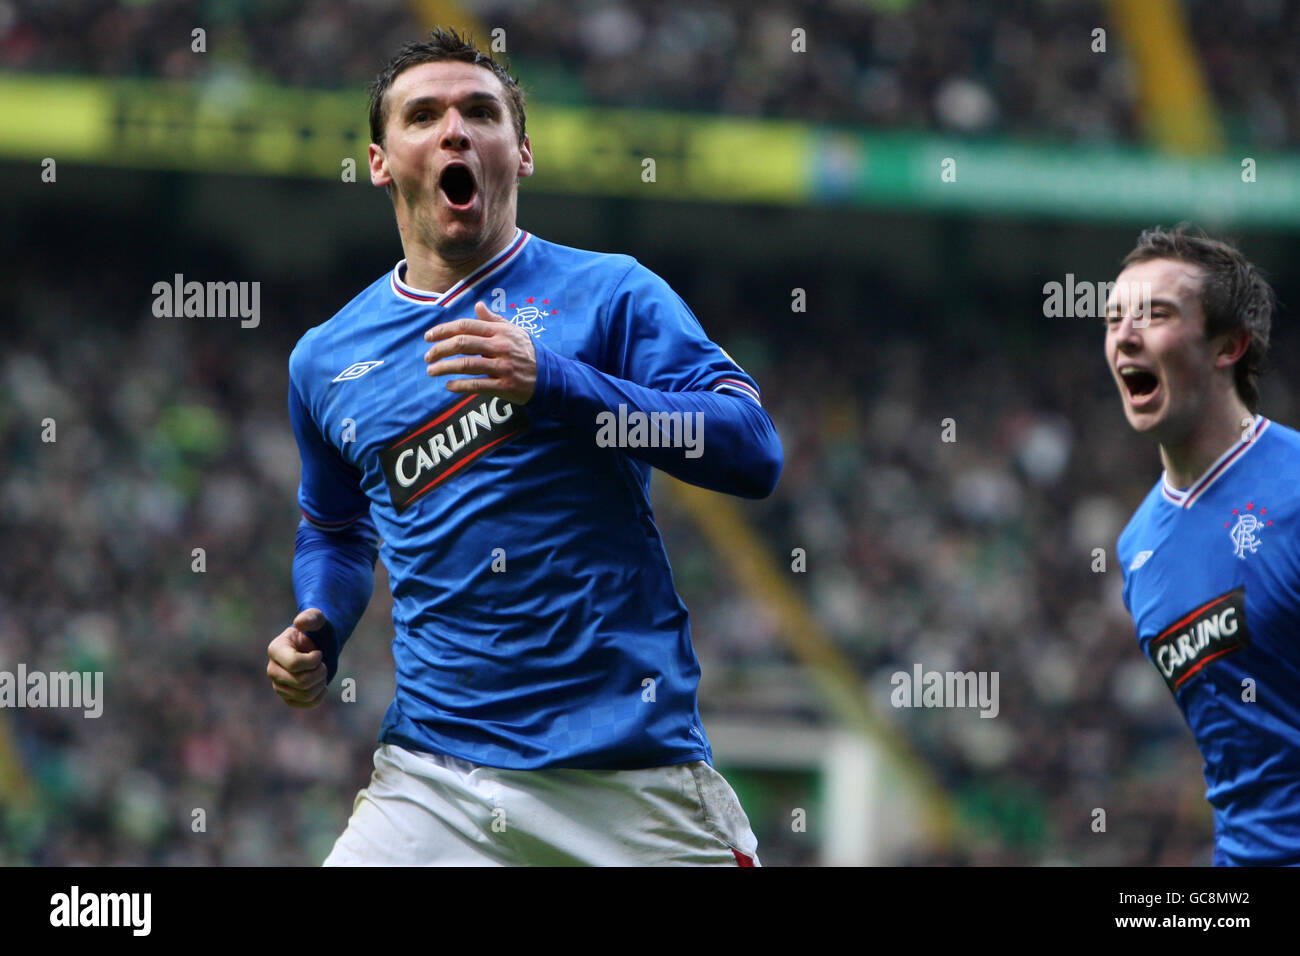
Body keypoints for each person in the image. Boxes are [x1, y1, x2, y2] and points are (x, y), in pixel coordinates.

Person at [265, 27, 782, 866]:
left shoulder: (611, 293)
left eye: (480, 112)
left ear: (523, 151)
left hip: (627, 780)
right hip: (435, 779)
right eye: (423, 114)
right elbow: (335, 528)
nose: (454, 131)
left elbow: (752, 448)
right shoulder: (325, 358)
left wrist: (559, 384)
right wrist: (322, 621)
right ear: (379, 160)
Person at [1107, 225, 1300, 865]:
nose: (1124, 336)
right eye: (1114, 319)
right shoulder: (1138, 551)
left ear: (1229, 345)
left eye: (1156, 314)